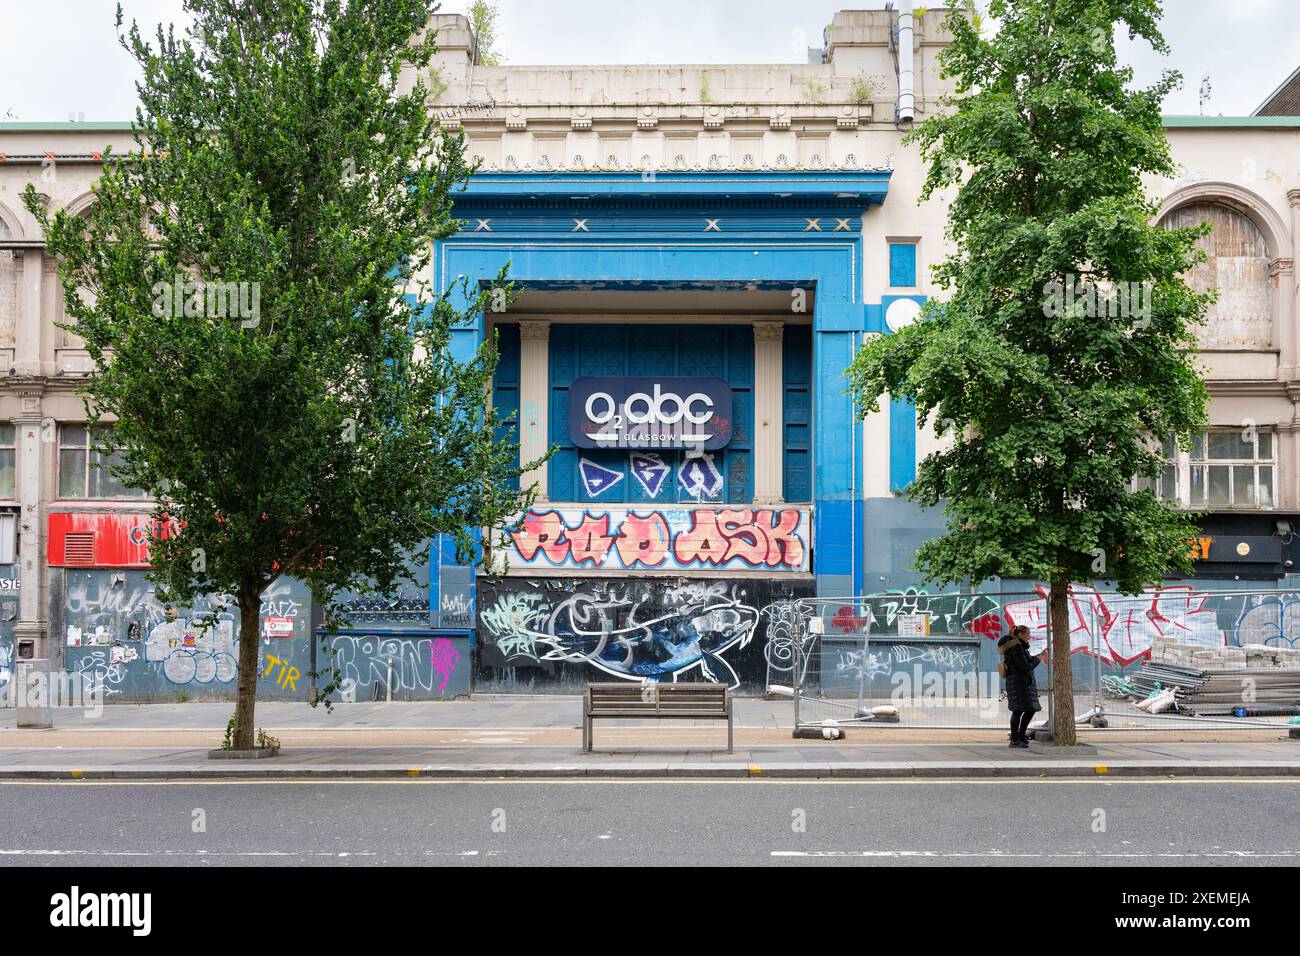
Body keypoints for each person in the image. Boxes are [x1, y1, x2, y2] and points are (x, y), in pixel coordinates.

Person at [998, 625, 1042, 748]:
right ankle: (1015, 739)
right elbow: (1025, 667)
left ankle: (1021, 736)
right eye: (1027, 634)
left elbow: (1025, 662)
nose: (1029, 636)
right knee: (1018, 710)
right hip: (1019, 684)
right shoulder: (1017, 648)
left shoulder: (1019, 647)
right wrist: (1037, 659)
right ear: (1020, 635)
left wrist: (1034, 658)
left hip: (1022, 683)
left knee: (1030, 709)